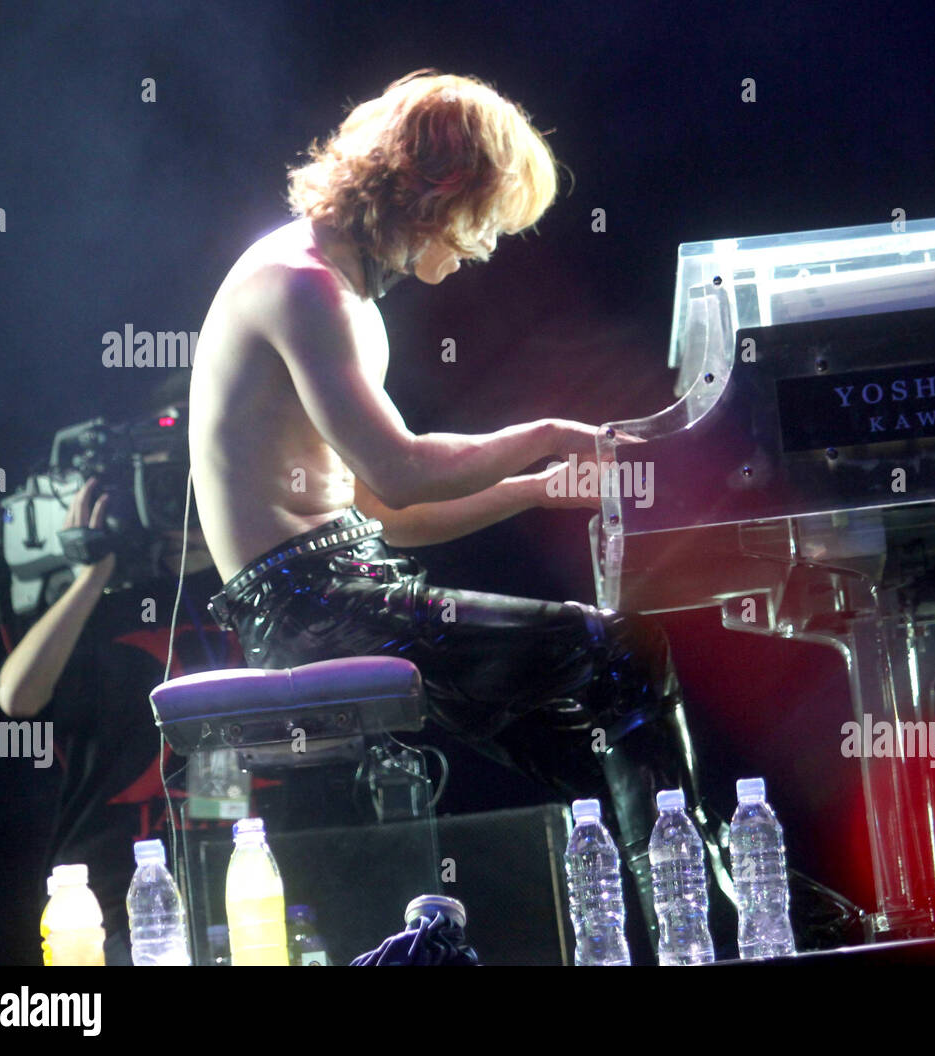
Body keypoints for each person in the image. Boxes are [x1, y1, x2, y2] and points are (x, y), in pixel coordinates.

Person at [190, 69, 861, 958]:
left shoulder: (333, 288)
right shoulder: (305, 285)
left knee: (592, 743)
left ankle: (724, 914)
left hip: (339, 592)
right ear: (439, 189)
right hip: (318, 611)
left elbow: (384, 514)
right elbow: (401, 469)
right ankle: (707, 920)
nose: (483, 249)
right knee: (625, 649)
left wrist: (532, 490)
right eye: (485, 222)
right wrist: (547, 434)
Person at [0, 401, 243, 964]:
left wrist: (228, 546)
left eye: (177, 486)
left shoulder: (238, 593)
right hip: (107, 887)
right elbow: (17, 697)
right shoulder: (100, 607)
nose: (165, 503)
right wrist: (93, 569)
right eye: (148, 485)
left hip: (232, 868)